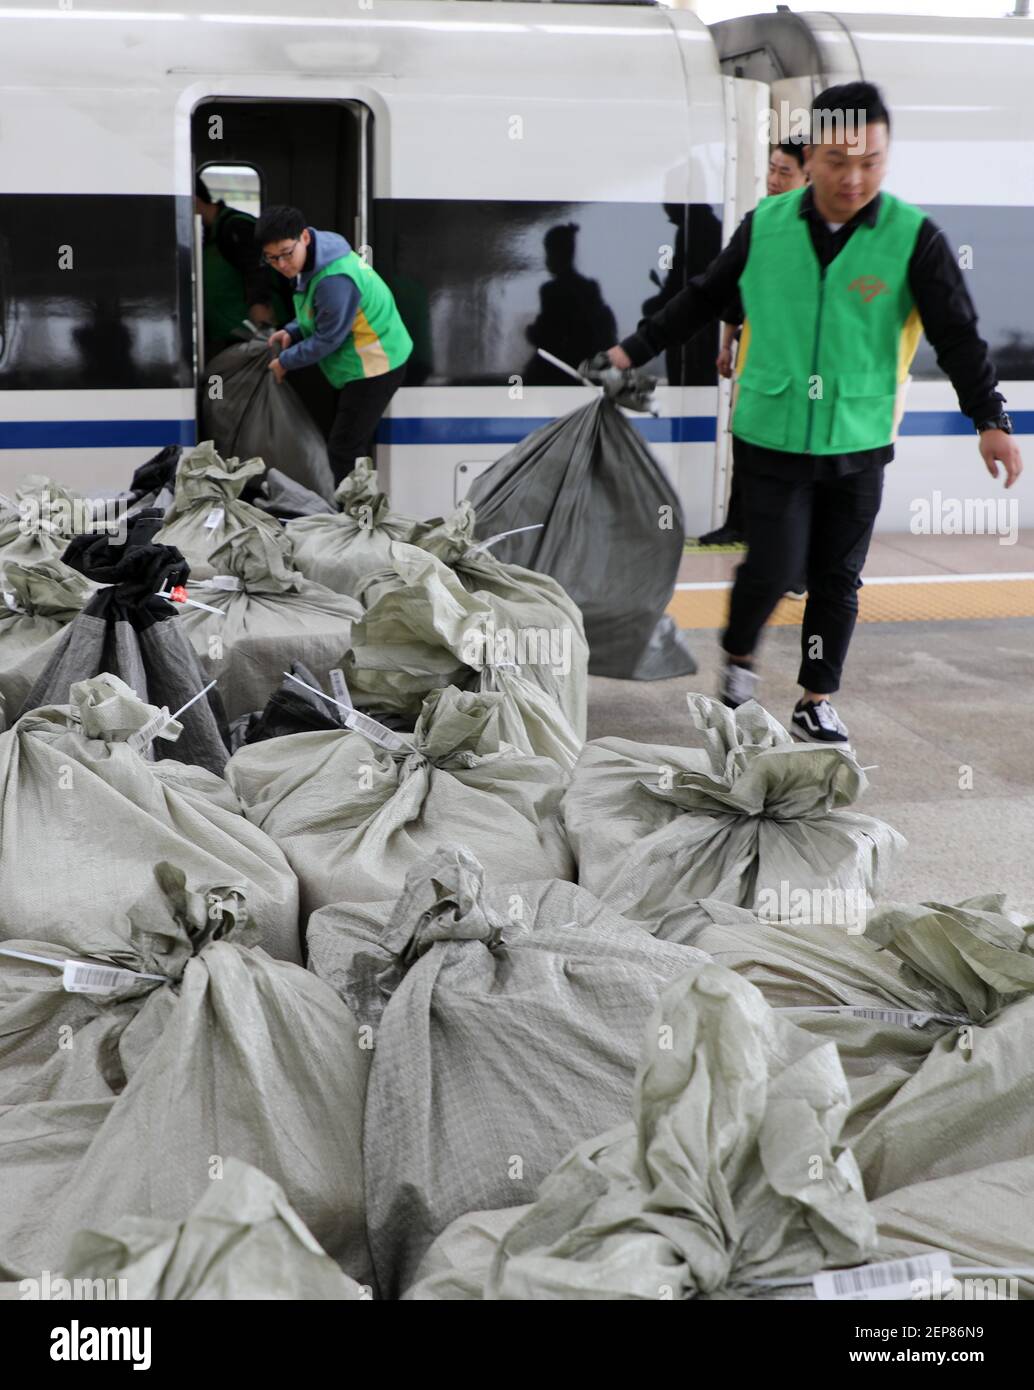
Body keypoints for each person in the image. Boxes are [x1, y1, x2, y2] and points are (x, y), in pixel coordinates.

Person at [607, 82, 1022, 745]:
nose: (854, 178)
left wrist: (990, 421)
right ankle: (740, 665)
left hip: (860, 436)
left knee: (837, 577)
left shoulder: (914, 239)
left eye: (871, 162)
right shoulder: (766, 227)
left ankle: (815, 698)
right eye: (837, 161)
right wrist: (631, 351)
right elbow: (703, 297)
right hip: (771, 432)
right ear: (812, 155)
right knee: (772, 566)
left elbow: (959, 336)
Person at [700, 141, 810, 558]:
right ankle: (738, 522)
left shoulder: (811, 232)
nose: (775, 180)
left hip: (795, 365)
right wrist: (727, 344)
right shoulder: (762, 223)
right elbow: (734, 291)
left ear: (807, 176)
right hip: (756, 355)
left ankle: (781, 539)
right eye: (773, 169)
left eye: (785, 172)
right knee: (744, 433)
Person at [256, 206, 413, 485]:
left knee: (344, 449)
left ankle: (357, 522)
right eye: (271, 259)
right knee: (348, 444)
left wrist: (285, 361)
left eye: (285, 254)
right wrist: (292, 331)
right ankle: (356, 515)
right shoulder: (317, 254)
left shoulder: (333, 278)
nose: (281, 265)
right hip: (359, 361)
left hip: (377, 364)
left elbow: (329, 337)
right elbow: (319, 312)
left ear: (304, 237)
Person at [194, 176, 280, 358]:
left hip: (250, 334)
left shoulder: (236, 226)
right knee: (223, 384)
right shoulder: (209, 234)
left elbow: (257, 267)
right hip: (228, 333)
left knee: (246, 385)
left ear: (195, 200)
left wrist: (259, 304)